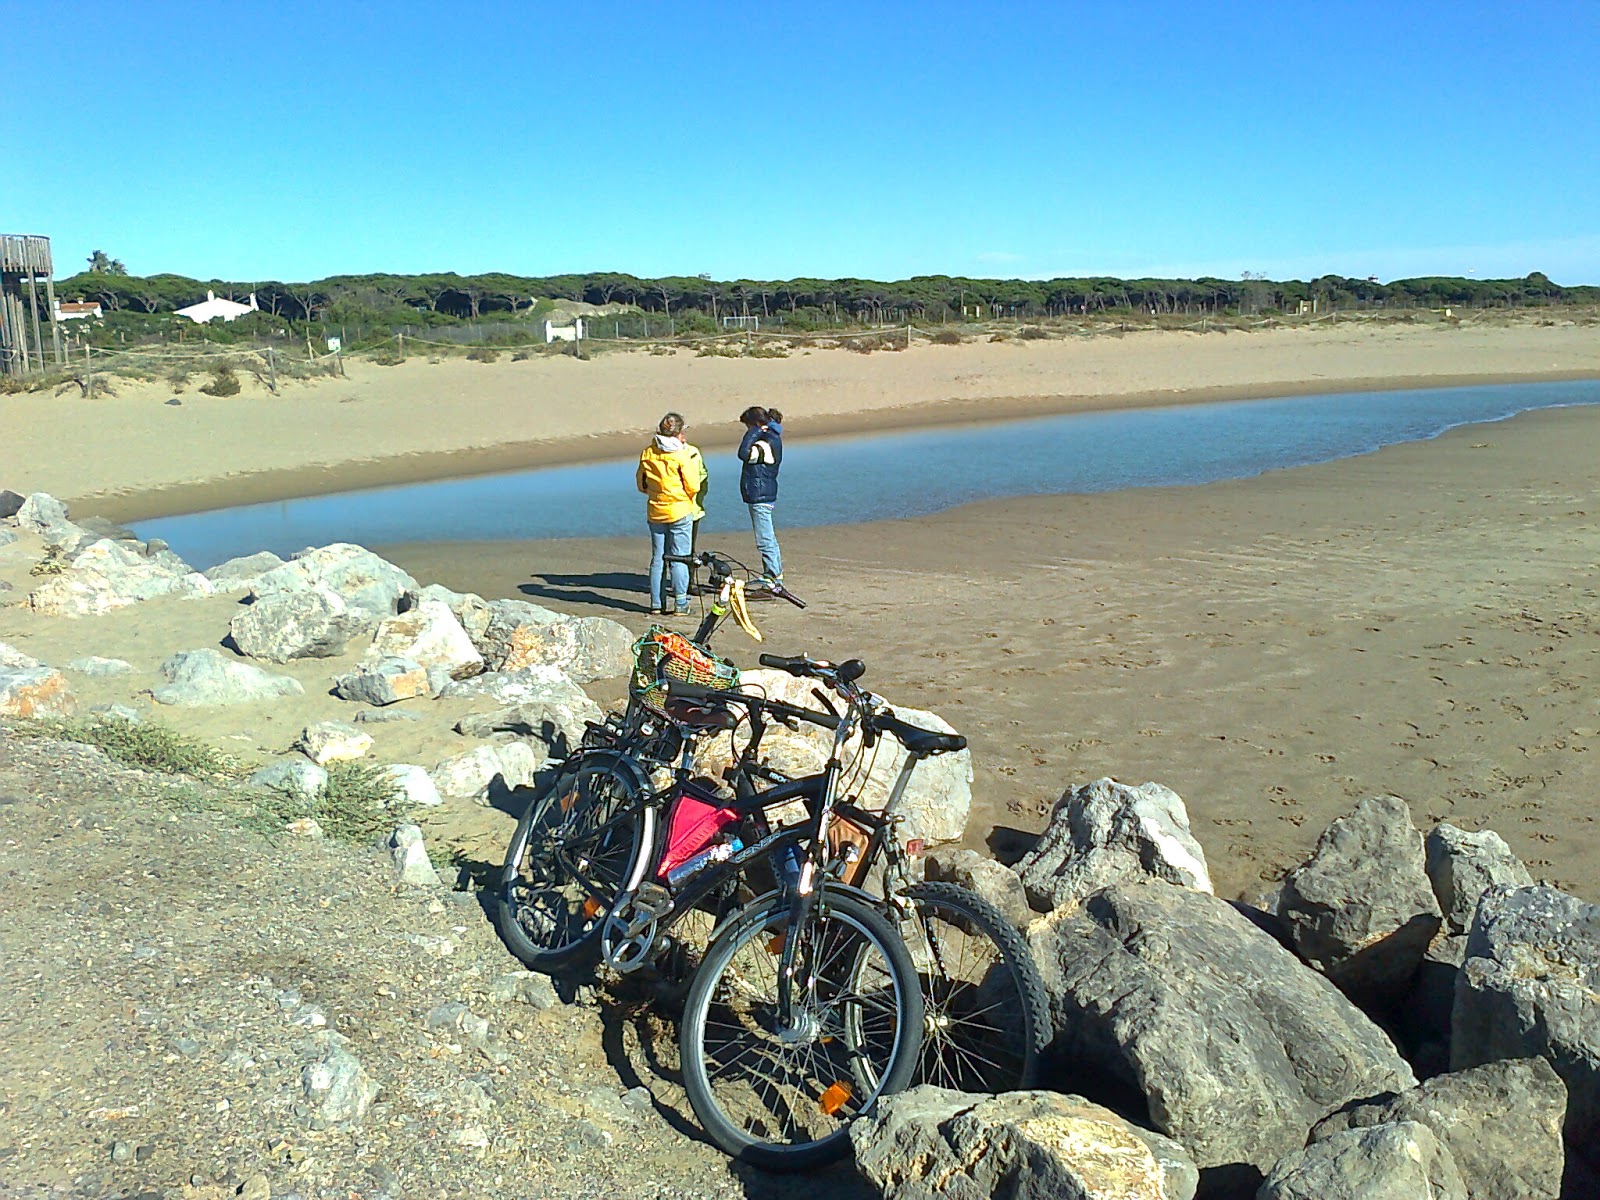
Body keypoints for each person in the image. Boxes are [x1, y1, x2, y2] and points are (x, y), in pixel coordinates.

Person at [637, 412, 701, 615]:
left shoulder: (648, 453)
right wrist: (685, 497)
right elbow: (693, 485)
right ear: (679, 432)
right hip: (679, 509)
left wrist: (656, 494)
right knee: (679, 558)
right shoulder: (681, 454)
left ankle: (657, 603)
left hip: (656, 509)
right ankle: (680, 603)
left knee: (658, 558)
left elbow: (641, 482)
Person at [738, 405, 783, 583]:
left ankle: (772, 578)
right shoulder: (770, 438)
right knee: (767, 537)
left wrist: (754, 432)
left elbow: (744, 453)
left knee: (765, 539)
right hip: (762, 493)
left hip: (761, 494)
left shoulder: (766, 443)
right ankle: (773, 575)